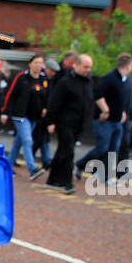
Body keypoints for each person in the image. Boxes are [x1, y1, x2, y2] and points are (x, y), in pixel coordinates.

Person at [76, 53, 132, 181]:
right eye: (131, 66)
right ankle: (81, 164)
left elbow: (125, 99)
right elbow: (97, 94)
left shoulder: (127, 81)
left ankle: (104, 176)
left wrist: (124, 112)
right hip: (104, 121)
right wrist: (105, 110)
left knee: (112, 150)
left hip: (117, 121)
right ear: (127, 66)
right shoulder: (110, 78)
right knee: (102, 147)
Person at [44, 54, 95, 194]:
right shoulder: (65, 82)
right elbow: (54, 102)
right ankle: (67, 183)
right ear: (76, 65)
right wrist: (50, 121)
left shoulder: (89, 82)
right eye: (85, 67)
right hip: (65, 122)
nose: (88, 70)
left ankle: (52, 179)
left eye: (89, 67)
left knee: (62, 151)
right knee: (68, 152)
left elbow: (89, 102)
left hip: (79, 124)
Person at [0, 53, 50, 180]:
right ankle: (32, 169)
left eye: (40, 63)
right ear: (30, 64)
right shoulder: (22, 77)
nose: (38, 66)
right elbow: (10, 94)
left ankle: (7, 167)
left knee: (19, 142)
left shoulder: (43, 79)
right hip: (20, 115)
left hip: (34, 116)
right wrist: (5, 112)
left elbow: (46, 96)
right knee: (28, 140)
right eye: (36, 63)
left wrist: (45, 108)